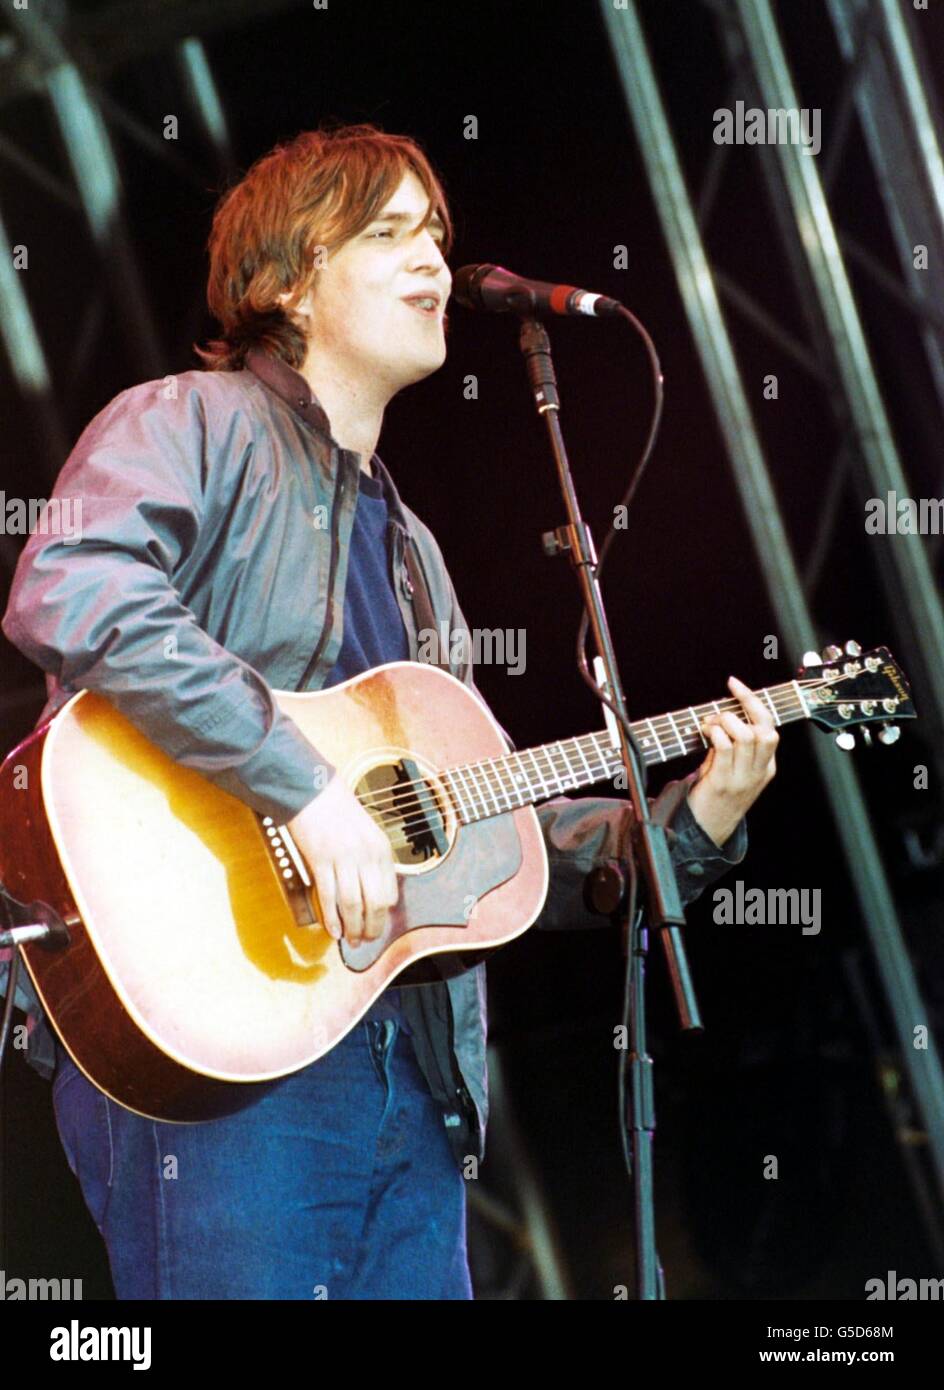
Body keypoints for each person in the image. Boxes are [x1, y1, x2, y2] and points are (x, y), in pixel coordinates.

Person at [0, 123, 778, 1299]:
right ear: (287, 279)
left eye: (436, 234)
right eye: (388, 231)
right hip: (219, 1044)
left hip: (404, 1076)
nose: (433, 260)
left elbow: (477, 835)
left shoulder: (412, 552)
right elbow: (74, 586)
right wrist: (300, 784)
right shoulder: (188, 423)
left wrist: (684, 822)